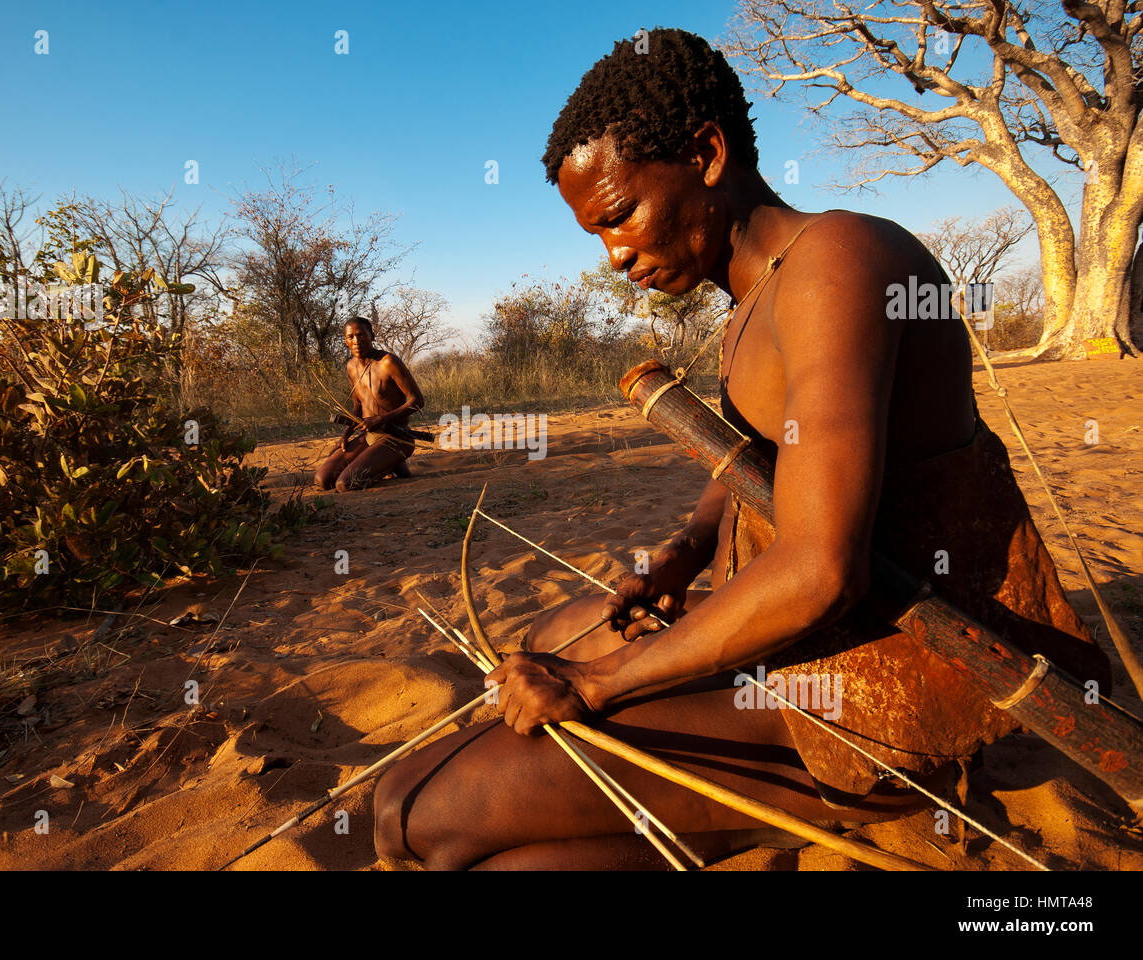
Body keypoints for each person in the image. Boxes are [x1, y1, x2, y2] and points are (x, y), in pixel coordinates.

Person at [371, 28, 1109, 870]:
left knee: (411, 813)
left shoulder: (841, 264)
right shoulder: (753, 299)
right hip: (804, 642)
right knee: (555, 634)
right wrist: (682, 554)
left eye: (619, 216)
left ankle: (787, 806)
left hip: (879, 684)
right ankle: (710, 812)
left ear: (707, 153)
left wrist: (601, 685)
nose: (614, 255)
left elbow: (823, 569)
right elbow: (761, 467)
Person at [314, 317, 424, 492]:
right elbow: (357, 408)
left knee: (345, 484)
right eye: (351, 337)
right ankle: (390, 462)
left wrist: (382, 419)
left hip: (396, 438)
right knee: (323, 480)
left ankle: (393, 462)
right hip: (369, 436)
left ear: (372, 335)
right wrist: (346, 435)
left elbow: (417, 401)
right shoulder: (351, 366)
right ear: (345, 340)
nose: (356, 341)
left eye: (361, 335)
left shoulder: (388, 362)